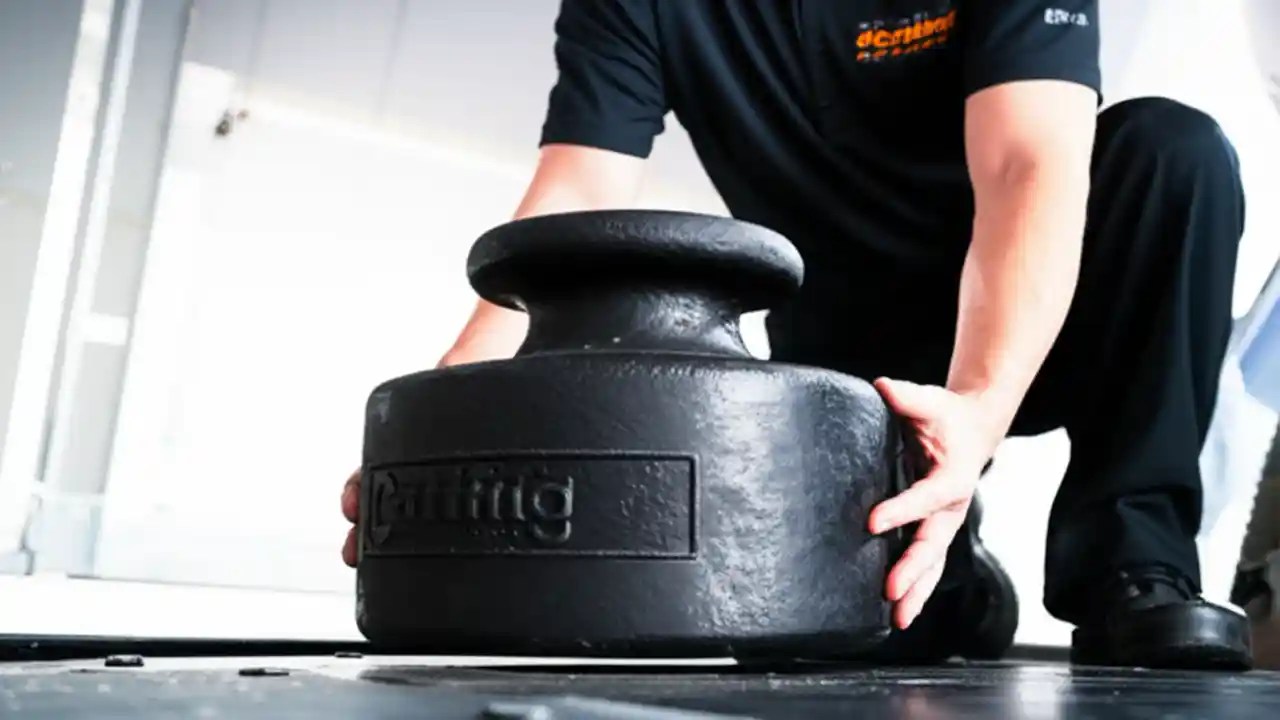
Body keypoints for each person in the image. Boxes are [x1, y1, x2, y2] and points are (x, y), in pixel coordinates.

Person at [340, 0, 1252, 669]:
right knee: (883, 633)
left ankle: (1135, 568)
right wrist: (443, 439)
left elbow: (1025, 163)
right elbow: (575, 198)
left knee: (1174, 152)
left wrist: (977, 410)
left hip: (1045, 308)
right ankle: (949, 577)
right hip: (852, 365)